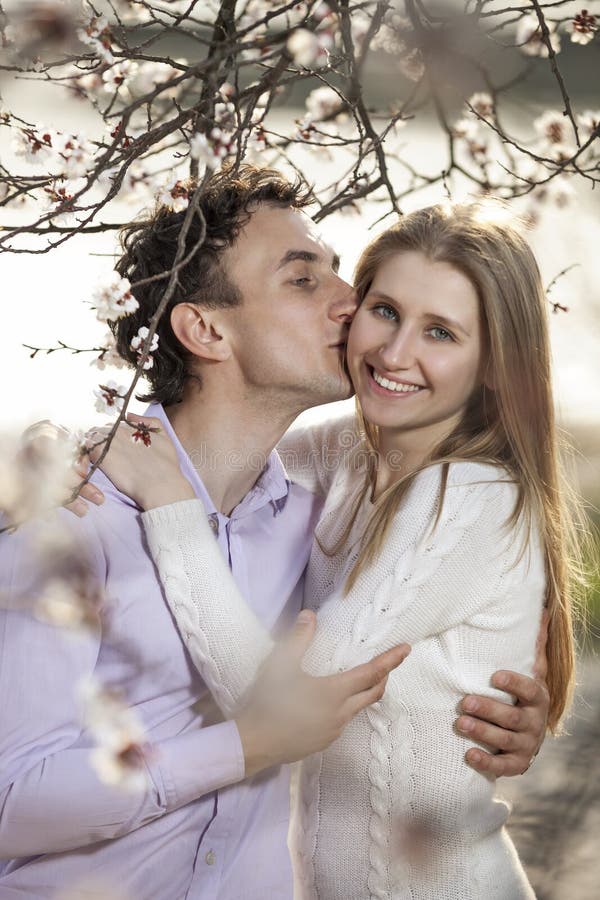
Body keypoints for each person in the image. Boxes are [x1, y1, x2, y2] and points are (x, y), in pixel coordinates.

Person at [0, 168, 549, 899]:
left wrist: (168, 502)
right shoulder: (89, 513)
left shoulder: (365, 504)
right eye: (303, 281)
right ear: (205, 329)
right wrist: (49, 446)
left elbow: (309, 696)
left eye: (441, 331)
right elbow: (10, 802)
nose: (352, 307)